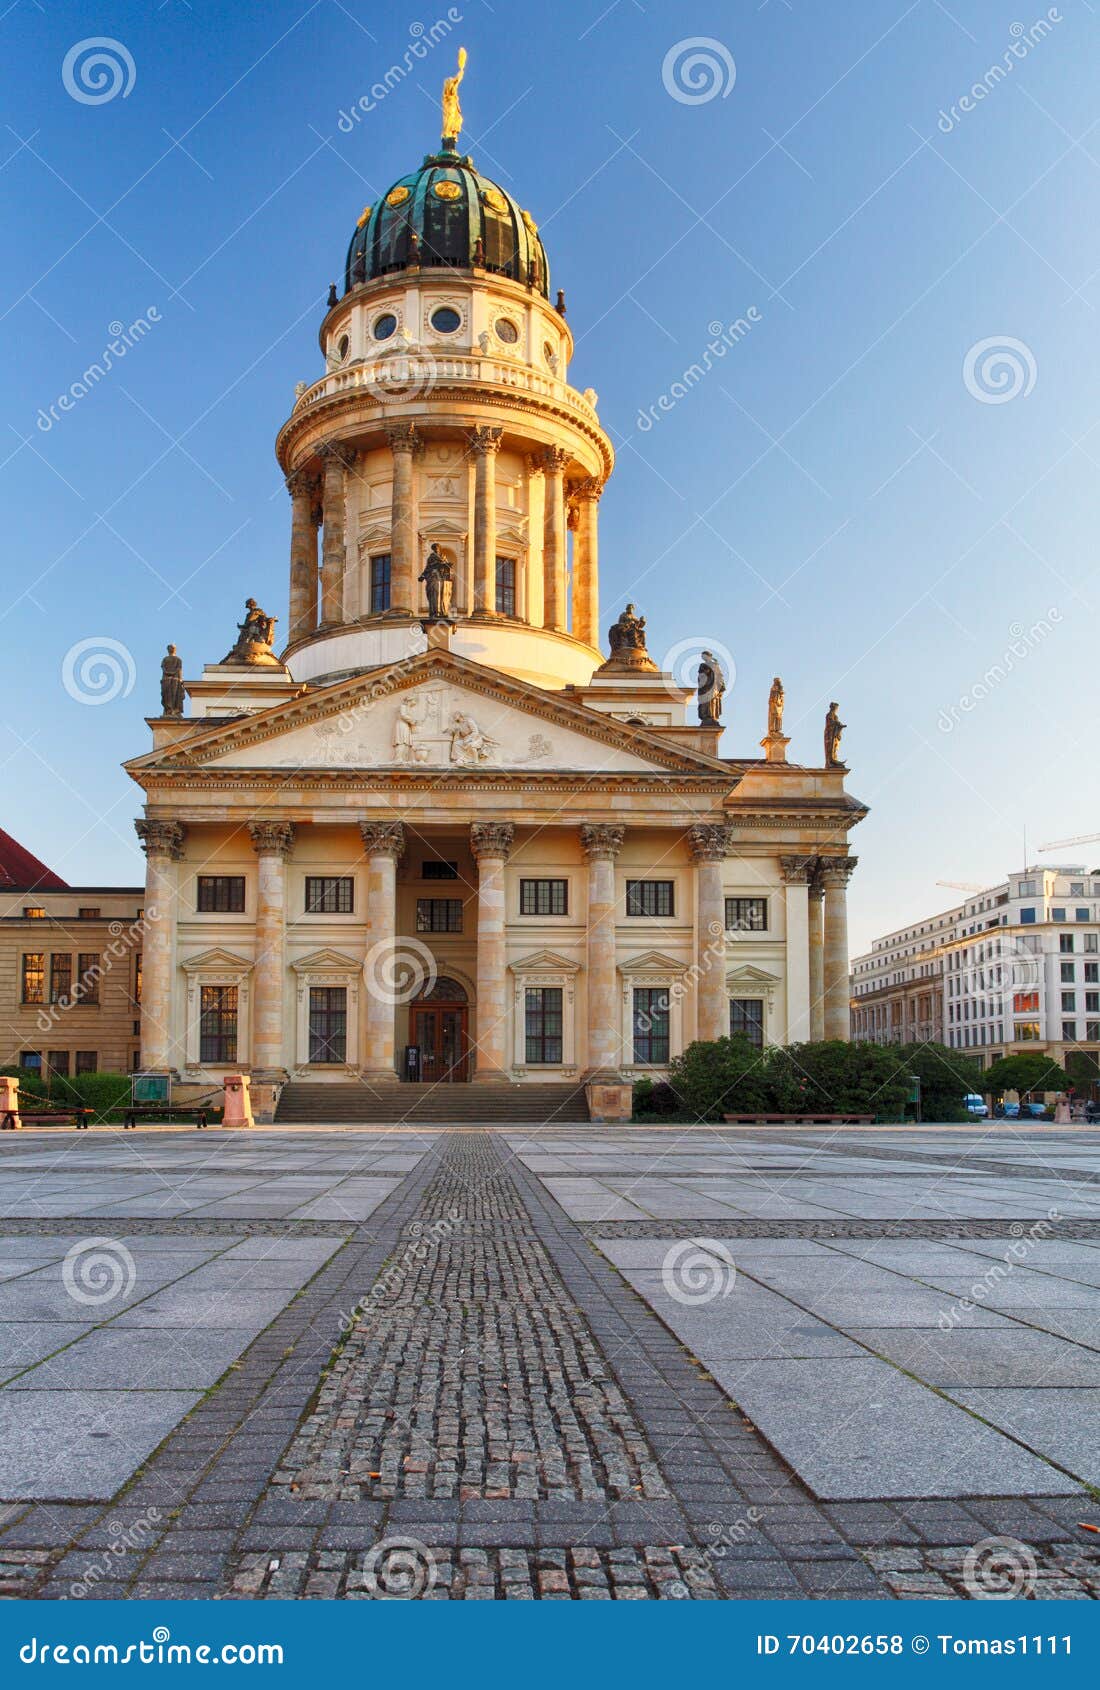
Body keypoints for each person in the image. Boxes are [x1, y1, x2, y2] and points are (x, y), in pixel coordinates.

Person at [160, 644, 184, 716]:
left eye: (173, 648)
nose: (172, 649)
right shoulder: (165, 659)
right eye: (170, 648)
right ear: (168, 649)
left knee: (175, 694)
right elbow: (163, 668)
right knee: (166, 695)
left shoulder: (178, 659)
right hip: (166, 679)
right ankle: (168, 710)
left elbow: (179, 670)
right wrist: (168, 673)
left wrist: (180, 679)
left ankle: (174, 710)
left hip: (175, 679)